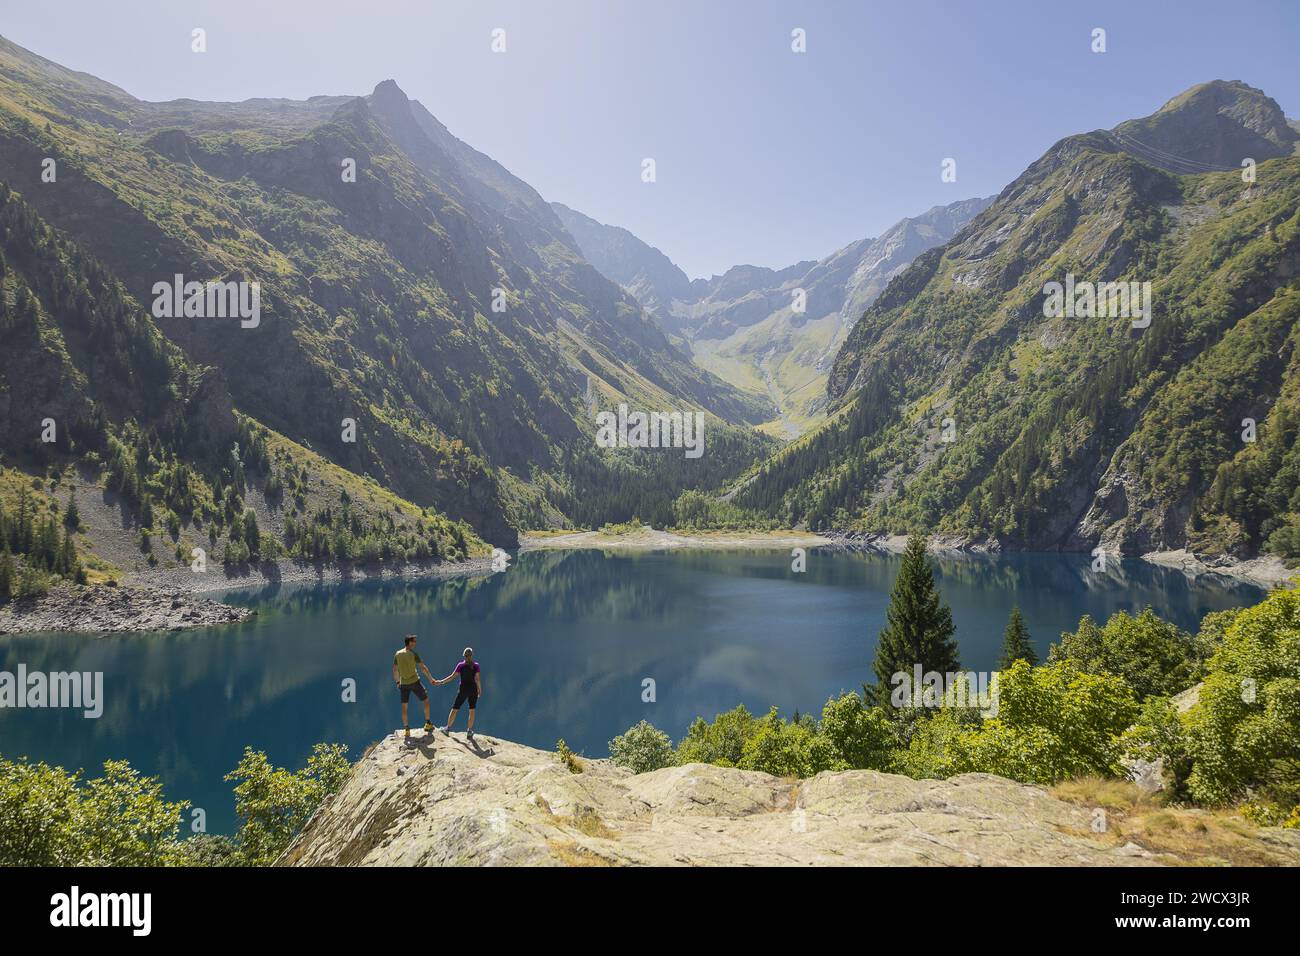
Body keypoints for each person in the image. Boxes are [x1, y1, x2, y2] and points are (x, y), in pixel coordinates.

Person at [392, 634, 435, 739]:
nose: (415, 643)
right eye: (414, 641)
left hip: (403, 684)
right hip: (415, 682)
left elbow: (395, 670)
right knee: (425, 700)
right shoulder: (413, 654)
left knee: (404, 707)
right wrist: (431, 679)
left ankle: (407, 729)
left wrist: (398, 682)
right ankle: (428, 723)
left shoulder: (397, 654)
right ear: (409, 642)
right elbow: (423, 668)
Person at [437, 647, 482, 740]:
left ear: (464, 656)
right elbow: (477, 679)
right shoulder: (476, 665)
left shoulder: (461, 665)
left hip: (463, 689)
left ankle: (447, 729)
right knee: (472, 710)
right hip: (473, 689)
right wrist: (479, 689)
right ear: (472, 655)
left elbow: (452, 677)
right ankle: (469, 731)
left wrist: (441, 681)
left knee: (455, 708)